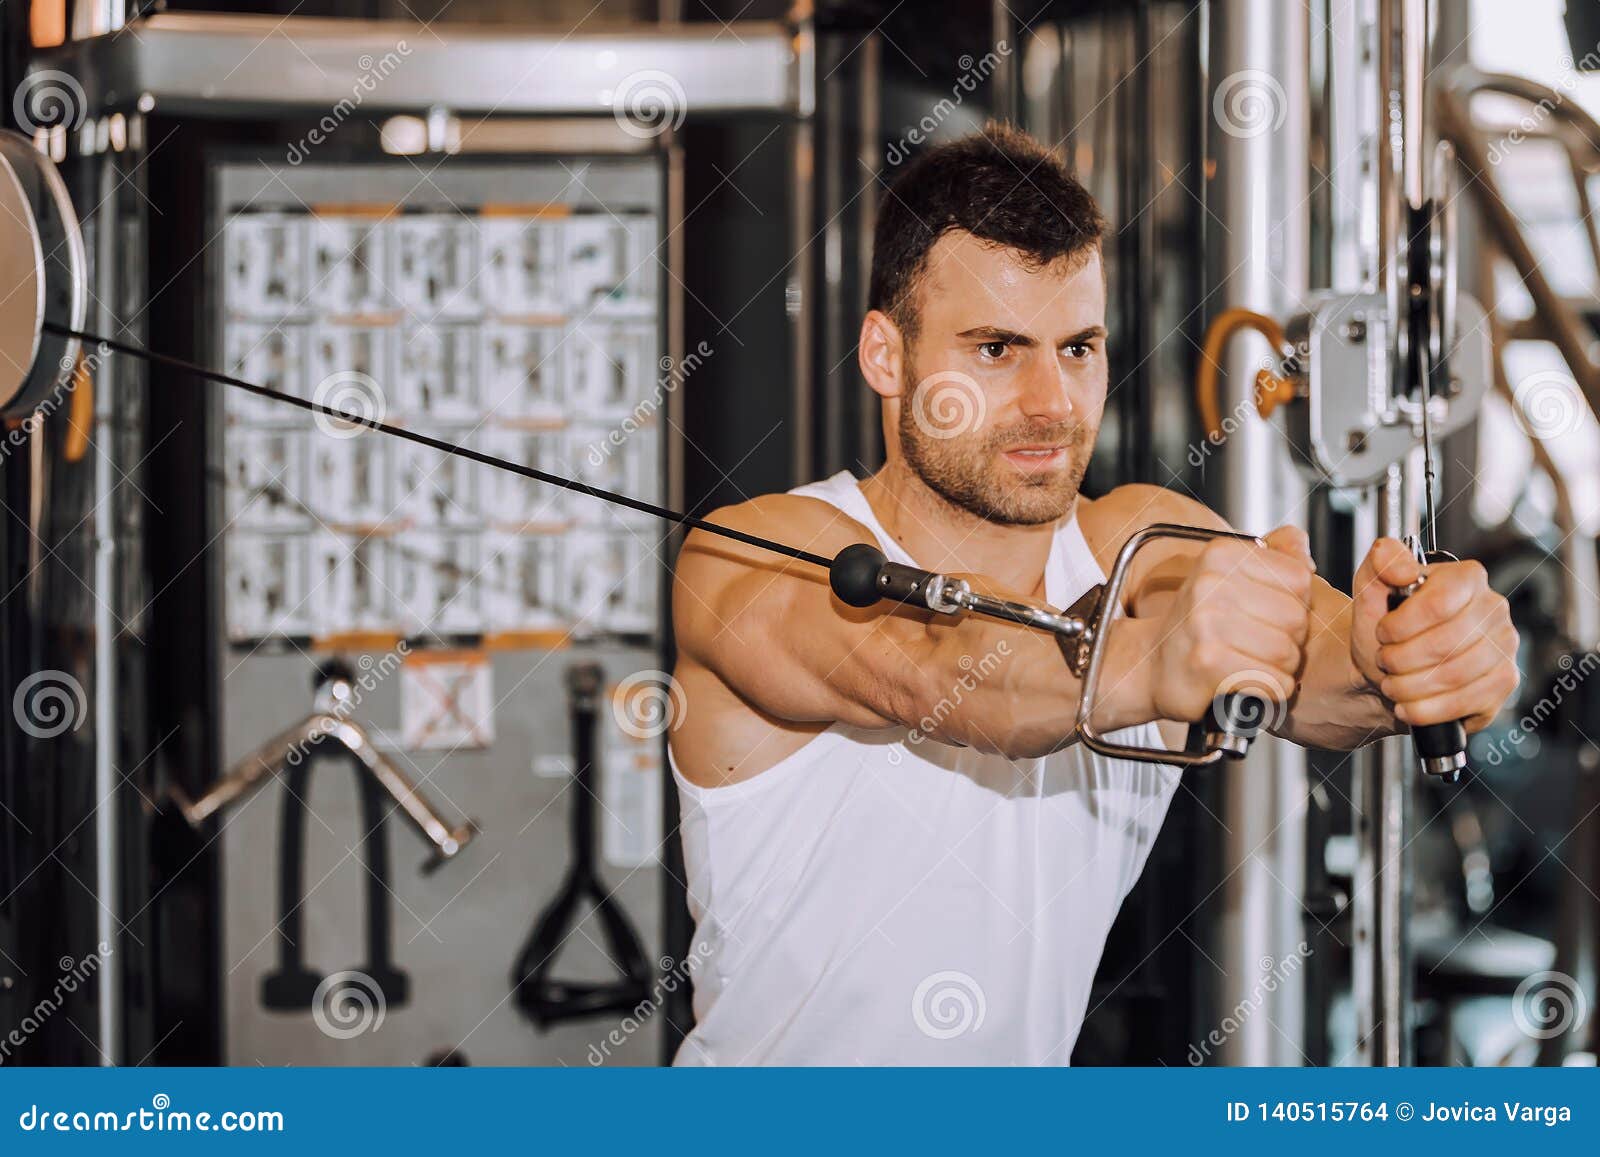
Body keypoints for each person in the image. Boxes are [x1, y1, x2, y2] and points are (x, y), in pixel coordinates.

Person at [666, 124, 1519, 1065]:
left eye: (1077, 348)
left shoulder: (1140, 545)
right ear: (886, 355)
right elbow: (940, 673)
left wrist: (1412, 653)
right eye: (996, 350)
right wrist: (1157, 657)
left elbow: (1324, 666)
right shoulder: (754, 559)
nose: (1050, 400)